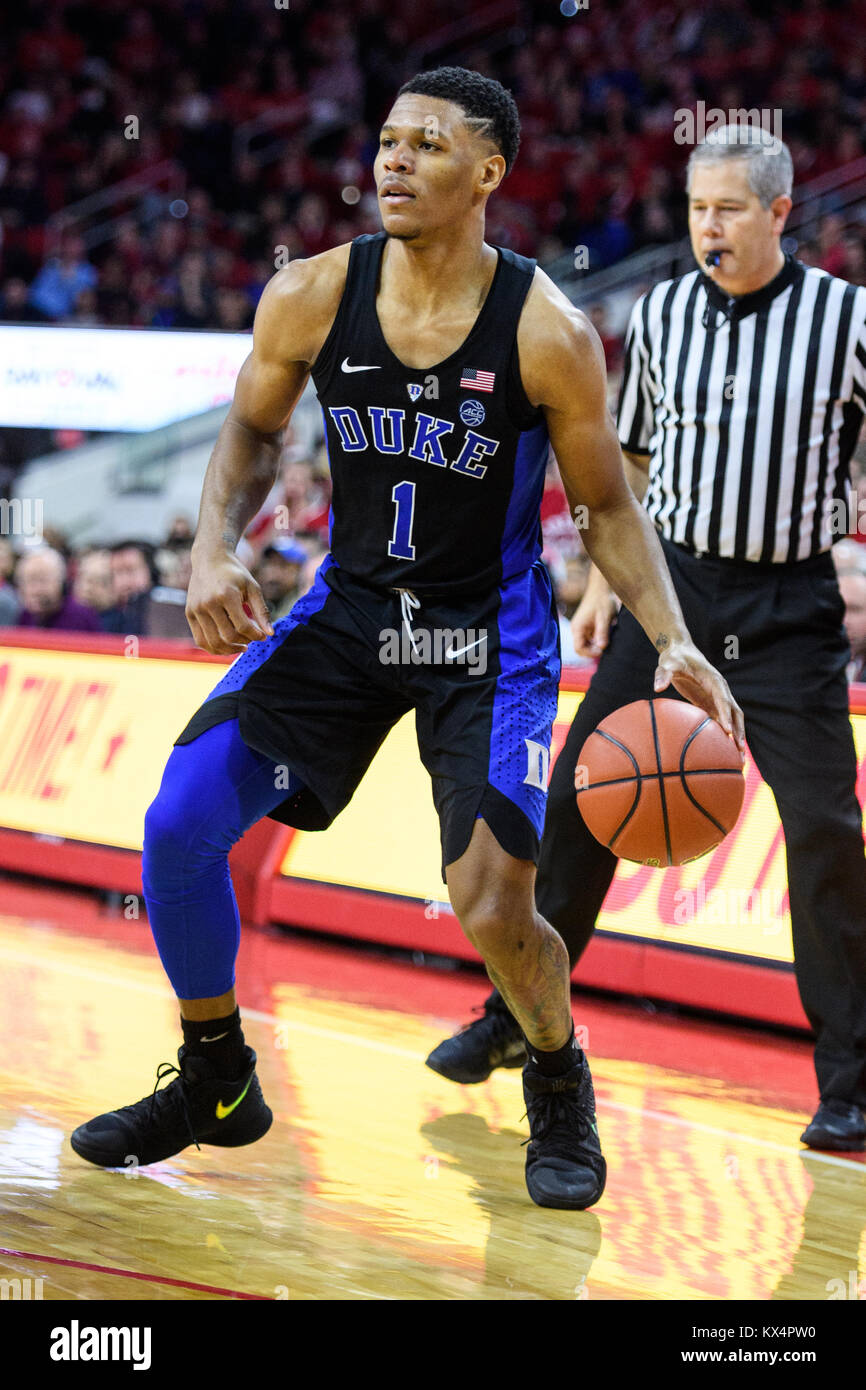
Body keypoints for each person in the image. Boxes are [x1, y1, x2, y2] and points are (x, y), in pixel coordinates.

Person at [70, 68, 741, 1209]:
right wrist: (209, 551)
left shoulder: (545, 328)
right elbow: (246, 434)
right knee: (179, 823)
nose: (392, 159)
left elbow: (606, 508)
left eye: (427, 143)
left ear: (487, 171)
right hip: (347, 615)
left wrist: (668, 635)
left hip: (486, 635)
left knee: (487, 903)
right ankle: (218, 1079)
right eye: (386, 139)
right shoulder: (313, 292)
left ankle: (554, 1068)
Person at [428, 124, 866, 1153]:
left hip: (790, 609)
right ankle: (513, 1019)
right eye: (692, 208)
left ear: (776, 213)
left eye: (723, 209)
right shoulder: (659, 311)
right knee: (581, 802)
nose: (703, 227)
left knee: (823, 831)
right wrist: (595, 584)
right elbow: (616, 465)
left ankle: (847, 1082)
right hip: (670, 594)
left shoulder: (845, 320)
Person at [15, 547, 102, 632]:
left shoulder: (82, 616)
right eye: (29, 581)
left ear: (61, 581)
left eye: (43, 580)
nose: (36, 591)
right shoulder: (25, 616)